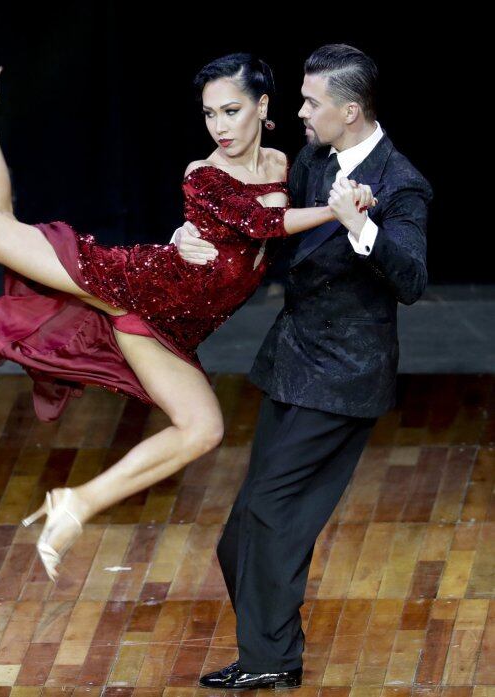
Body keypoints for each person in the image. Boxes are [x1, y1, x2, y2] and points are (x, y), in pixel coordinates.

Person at [0, 43, 374, 586]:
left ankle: (75, 503)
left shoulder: (284, 164)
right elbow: (263, 225)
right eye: (210, 114)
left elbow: (261, 229)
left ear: (263, 105)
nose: (220, 126)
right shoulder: (204, 176)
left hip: (171, 330)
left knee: (202, 429)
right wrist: (336, 210)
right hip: (134, 291)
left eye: (231, 111)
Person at [170, 45, 433, 690]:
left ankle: (267, 661)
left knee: (268, 511)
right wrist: (189, 236)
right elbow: (252, 219)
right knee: (242, 536)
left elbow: (412, 279)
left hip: (345, 374)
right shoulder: (312, 159)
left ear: (349, 109)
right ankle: (276, 648)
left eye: (312, 102)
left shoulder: (401, 181)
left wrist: (360, 227)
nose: (300, 111)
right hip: (292, 361)